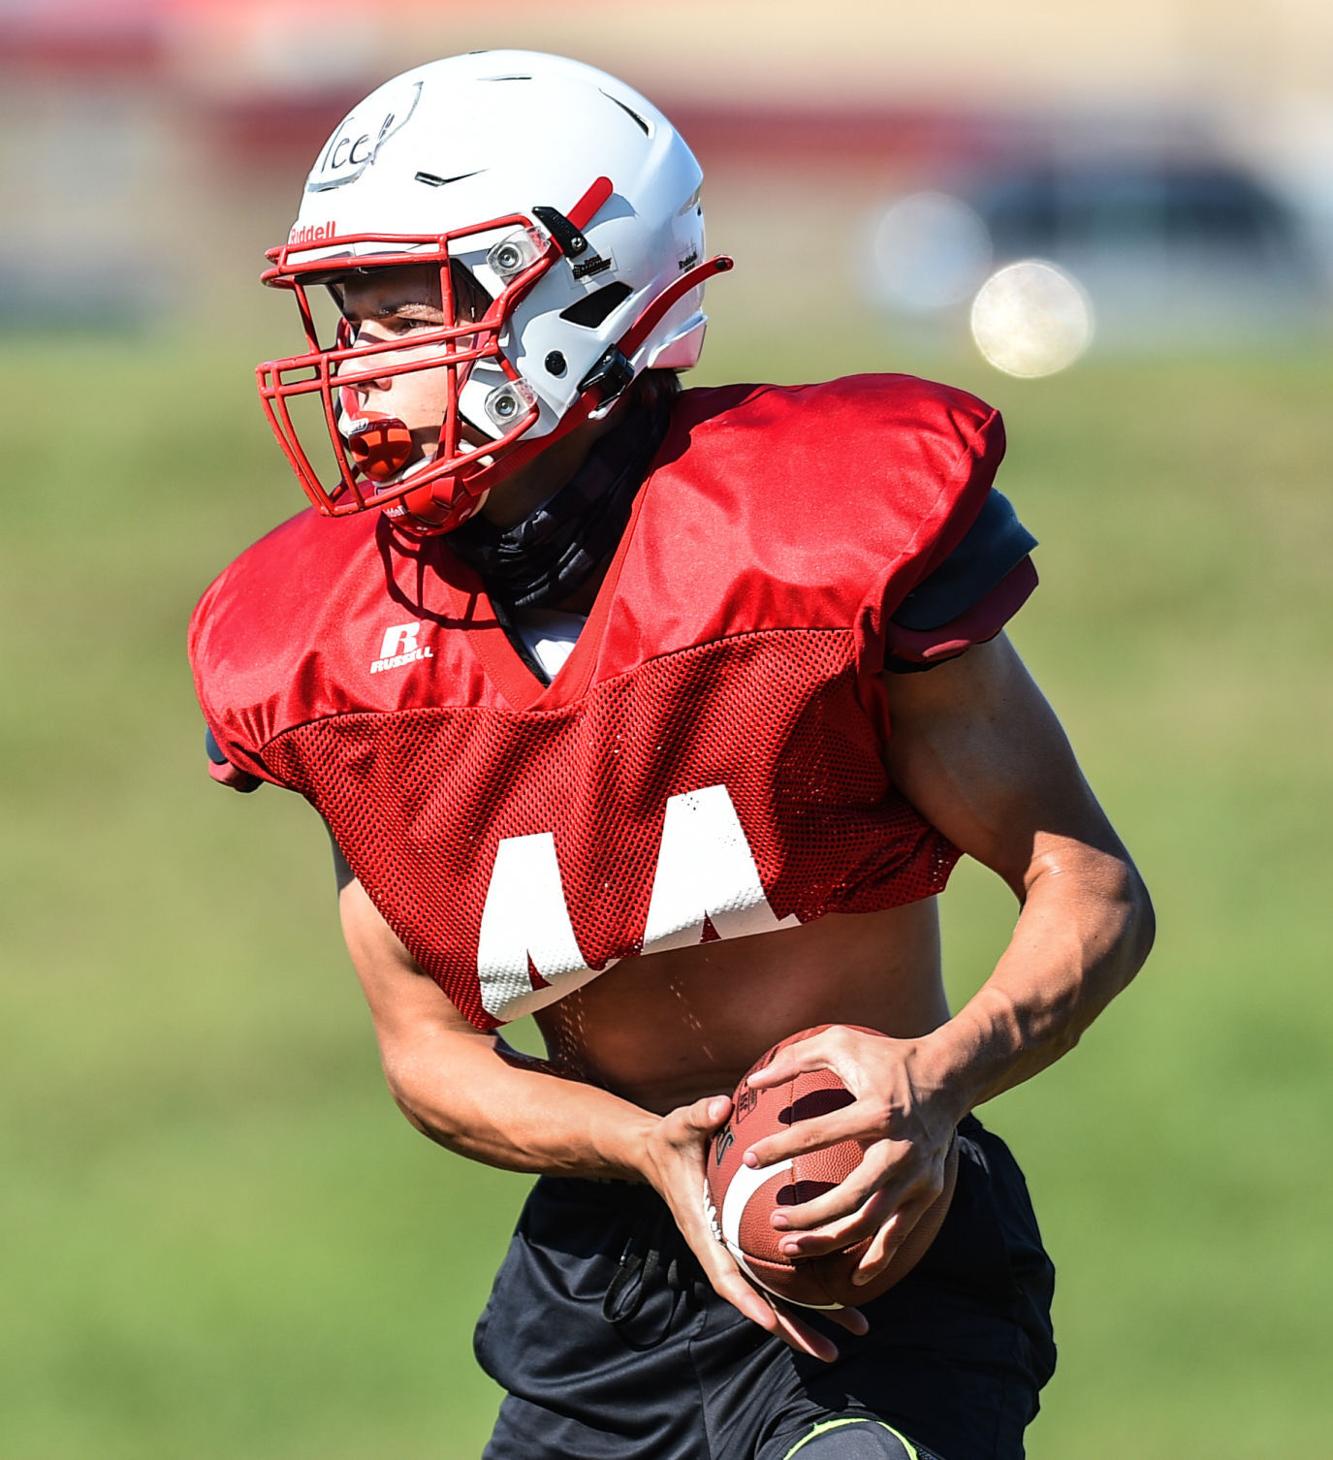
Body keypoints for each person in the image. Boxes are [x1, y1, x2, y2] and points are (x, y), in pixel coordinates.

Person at [189, 50, 1154, 1460]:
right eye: (356, 313)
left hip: (871, 1211)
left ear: (585, 289)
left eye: (418, 310)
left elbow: (1088, 888)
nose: (362, 368)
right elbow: (425, 1051)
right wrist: (637, 1145)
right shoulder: (326, 641)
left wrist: (938, 1079)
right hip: (602, 1280)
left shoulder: (816, 527)